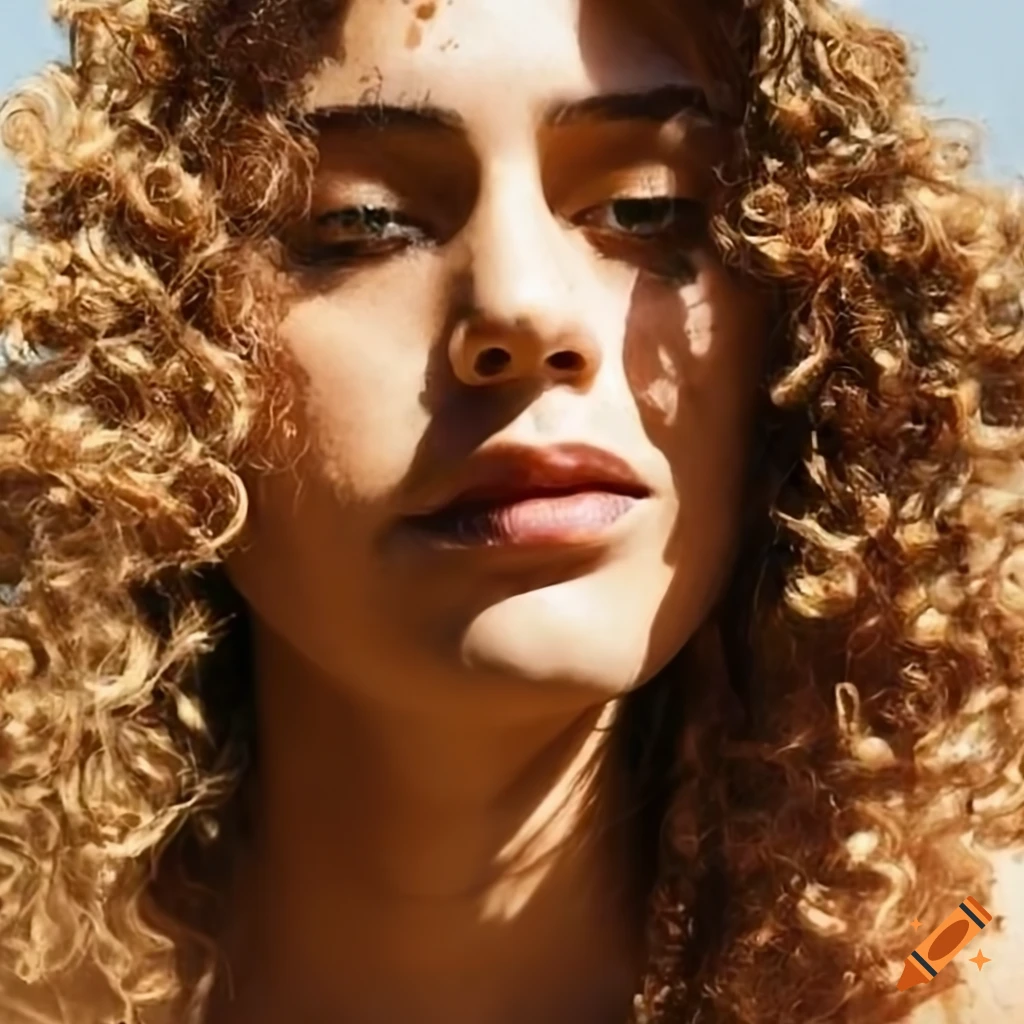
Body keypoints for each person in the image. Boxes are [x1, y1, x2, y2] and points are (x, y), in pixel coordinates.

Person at [0, 0, 1021, 1021]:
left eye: (646, 208)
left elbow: (959, 951)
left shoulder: (957, 959)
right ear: (155, 351)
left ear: (808, 315)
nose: (524, 311)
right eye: (362, 221)